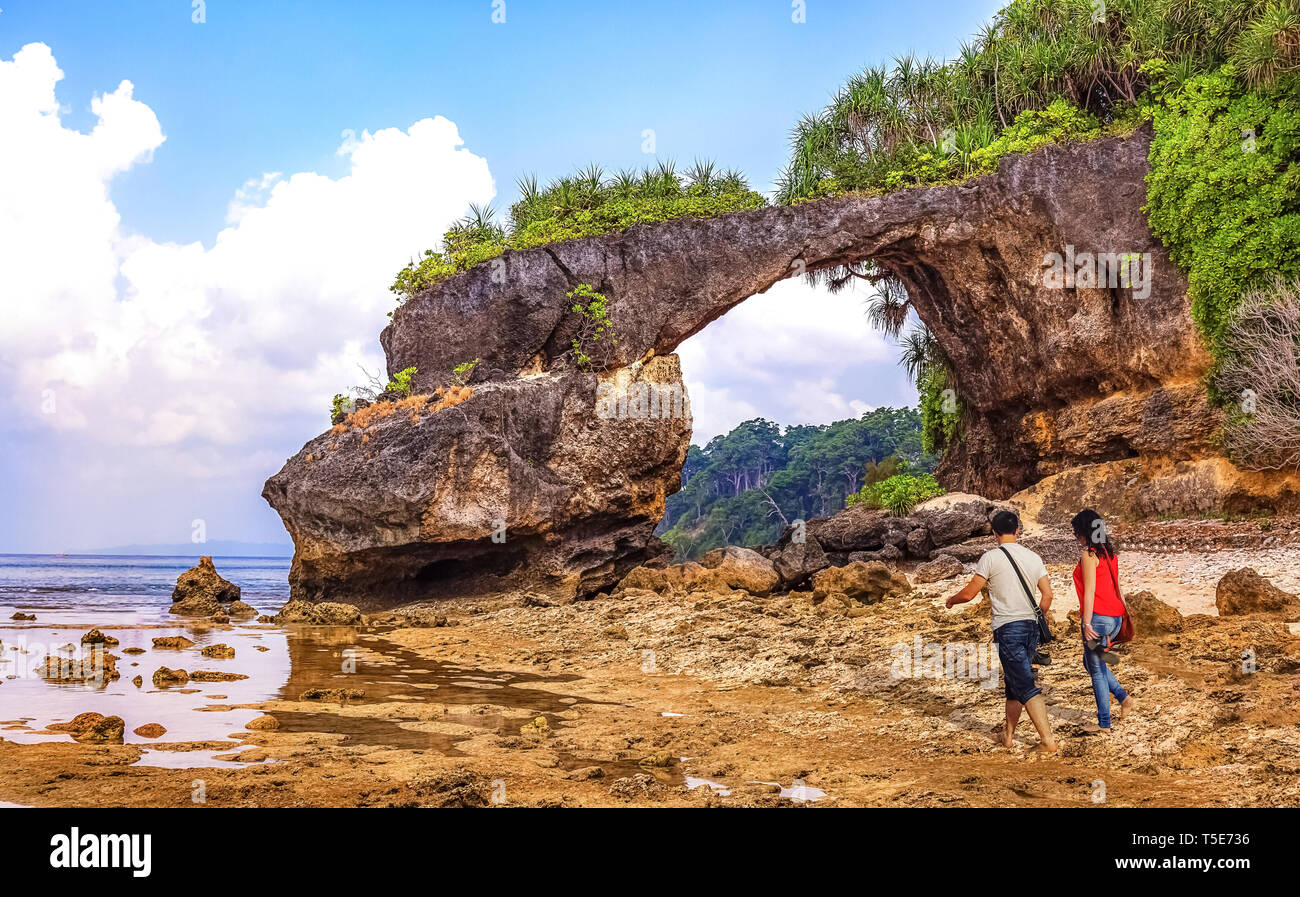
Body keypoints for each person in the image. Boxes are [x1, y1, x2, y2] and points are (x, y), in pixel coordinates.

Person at [946, 510, 1058, 753]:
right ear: (1018, 530)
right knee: (1014, 682)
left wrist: (951, 600)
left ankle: (1048, 742)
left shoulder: (990, 558)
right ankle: (1008, 735)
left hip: (1008, 629)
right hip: (1030, 628)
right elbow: (1047, 596)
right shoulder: (1033, 557)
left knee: (1025, 684)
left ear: (994, 533)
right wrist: (1036, 617)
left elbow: (969, 593)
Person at [1071, 508, 1136, 733]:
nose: (1076, 538)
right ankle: (1123, 698)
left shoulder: (1089, 555)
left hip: (1098, 619)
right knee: (1089, 662)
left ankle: (1104, 725)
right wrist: (1124, 615)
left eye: (1076, 532)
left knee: (1096, 670)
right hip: (1115, 617)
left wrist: (1087, 623)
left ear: (1084, 532)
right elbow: (1118, 587)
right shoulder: (1110, 554)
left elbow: (1090, 591)